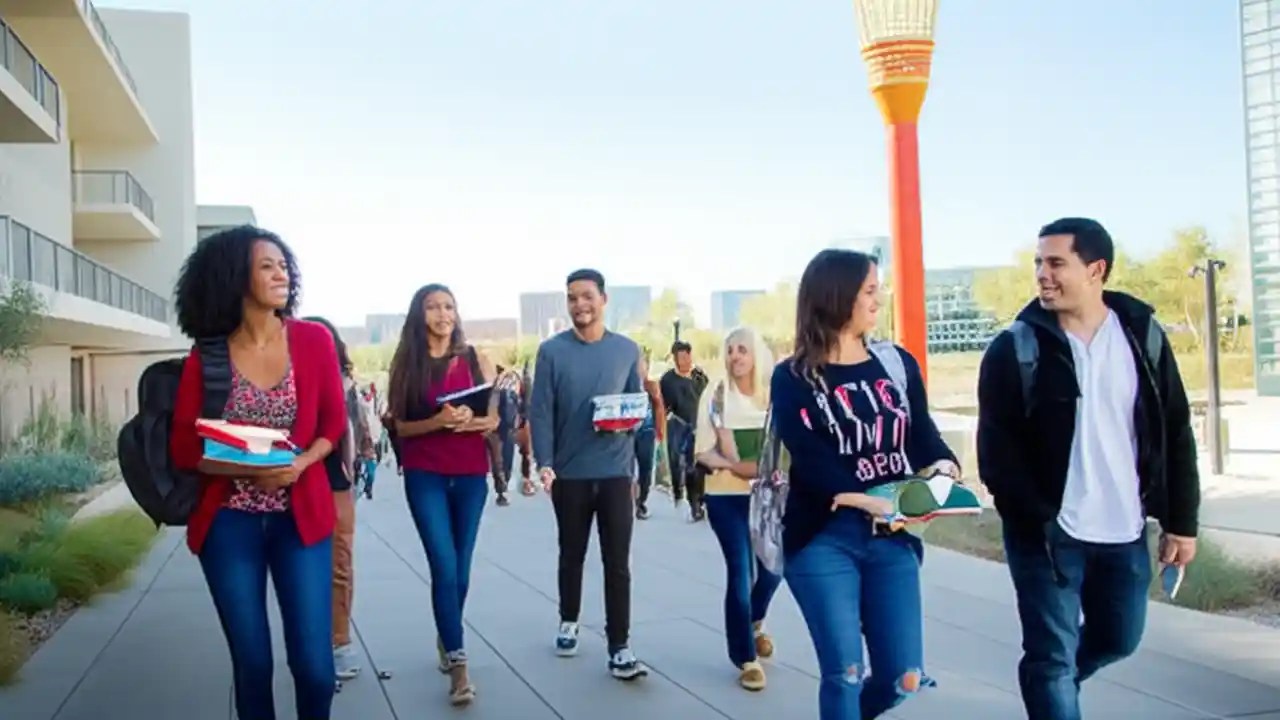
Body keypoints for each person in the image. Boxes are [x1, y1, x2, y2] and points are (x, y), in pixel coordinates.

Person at [977, 218, 1200, 720]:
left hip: (1124, 532)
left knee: (1119, 638)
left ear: (1096, 269)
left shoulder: (1143, 337)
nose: (1042, 274)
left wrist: (1182, 522)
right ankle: (1050, 682)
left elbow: (1175, 430)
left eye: (1056, 263)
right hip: (1047, 537)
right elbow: (996, 451)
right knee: (1052, 658)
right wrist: (1033, 517)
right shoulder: (1014, 349)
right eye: (1039, 262)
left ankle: (1048, 684)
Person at [169, 226, 347, 720]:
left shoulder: (312, 340)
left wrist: (300, 463)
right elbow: (186, 447)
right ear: (234, 276)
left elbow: (333, 422)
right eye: (266, 264)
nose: (281, 272)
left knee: (315, 668)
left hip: (301, 518)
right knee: (252, 663)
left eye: (283, 263)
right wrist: (245, 470)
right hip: (229, 523)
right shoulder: (207, 357)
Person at [772, 248, 957, 720]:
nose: (880, 299)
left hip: (892, 538)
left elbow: (921, 436)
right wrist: (876, 501)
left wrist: (943, 470)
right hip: (822, 539)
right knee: (844, 673)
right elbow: (812, 462)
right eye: (870, 290)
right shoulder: (793, 376)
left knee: (903, 677)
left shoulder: (896, 364)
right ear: (838, 297)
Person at [529, 268, 648, 681]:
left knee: (617, 562)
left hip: (615, 471)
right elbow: (540, 411)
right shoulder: (551, 352)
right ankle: (569, 618)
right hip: (570, 473)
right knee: (572, 553)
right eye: (572, 297)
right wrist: (544, 462)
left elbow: (638, 406)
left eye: (587, 296)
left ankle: (620, 646)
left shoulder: (627, 350)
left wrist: (625, 423)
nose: (580, 304)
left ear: (604, 299)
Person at [387, 283, 498, 706]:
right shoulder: (407, 363)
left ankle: (445, 630)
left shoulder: (475, 359)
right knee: (444, 566)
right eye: (433, 307)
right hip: (425, 474)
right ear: (420, 315)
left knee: (462, 571)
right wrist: (437, 421)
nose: (442, 314)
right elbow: (399, 427)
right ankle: (458, 664)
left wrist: (475, 419)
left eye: (448, 306)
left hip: (471, 474)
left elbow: (493, 420)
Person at [693, 326, 781, 691]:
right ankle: (745, 656)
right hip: (725, 498)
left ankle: (754, 619)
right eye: (730, 351)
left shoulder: (777, 396)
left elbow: (782, 454)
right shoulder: (716, 396)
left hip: (770, 497)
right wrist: (736, 466)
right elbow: (702, 453)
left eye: (743, 350)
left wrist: (743, 463)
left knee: (774, 569)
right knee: (741, 571)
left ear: (757, 354)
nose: (736, 357)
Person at [304, 316, 374, 682]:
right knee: (301, 569)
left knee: (339, 564)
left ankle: (340, 642)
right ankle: (311, 644)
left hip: (336, 485)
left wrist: (369, 457)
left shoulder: (346, 385)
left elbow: (360, 426)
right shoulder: (290, 381)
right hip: (298, 483)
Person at [660, 340, 709, 520]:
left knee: (699, 465)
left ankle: (700, 500)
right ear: (675, 359)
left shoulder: (699, 376)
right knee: (681, 463)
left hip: (700, 426)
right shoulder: (667, 380)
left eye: (687, 356)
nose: (685, 360)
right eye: (681, 357)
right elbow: (661, 406)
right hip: (678, 423)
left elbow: (708, 399)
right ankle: (689, 499)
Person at [633, 353, 666, 520]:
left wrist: (659, 431)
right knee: (626, 470)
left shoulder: (651, 386)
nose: (640, 369)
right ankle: (625, 502)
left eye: (643, 366)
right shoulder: (623, 384)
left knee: (645, 469)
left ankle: (641, 502)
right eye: (637, 365)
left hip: (646, 431)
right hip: (626, 434)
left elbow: (660, 408)